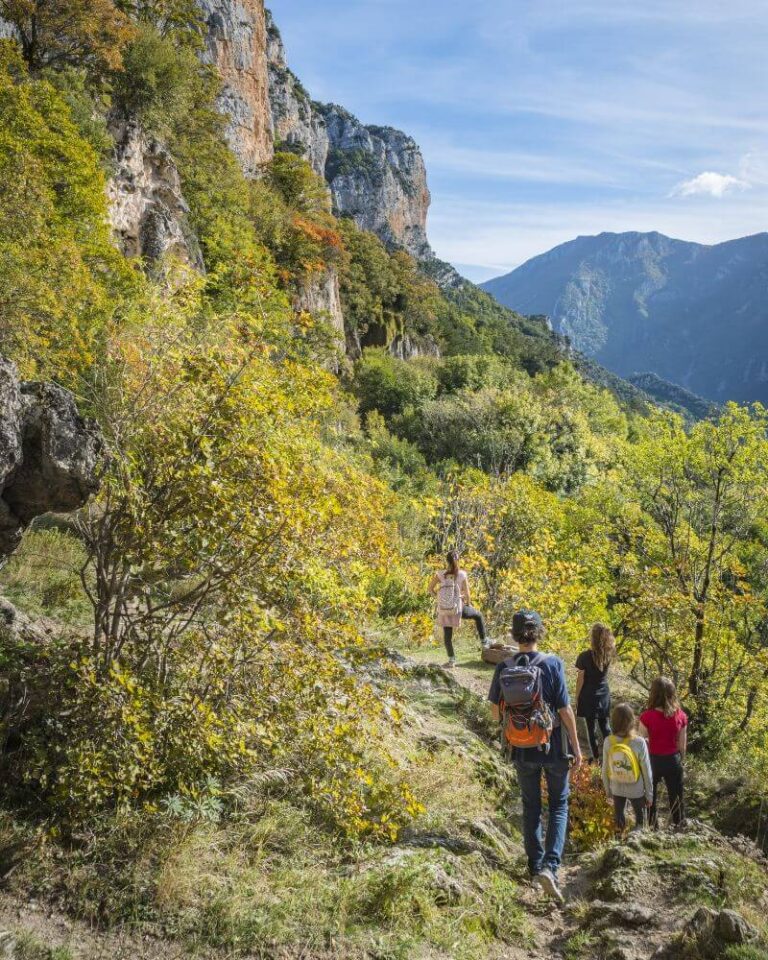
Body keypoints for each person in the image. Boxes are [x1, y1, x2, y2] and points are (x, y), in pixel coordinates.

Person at [488, 610, 582, 904]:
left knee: (530, 807)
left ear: (515, 636)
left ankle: (533, 867)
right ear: (539, 632)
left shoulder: (503, 667)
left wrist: (516, 721)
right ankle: (551, 868)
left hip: (521, 746)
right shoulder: (553, 664)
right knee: (558, 805)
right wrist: (577, 748)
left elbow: (494, 712)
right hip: (553, 747)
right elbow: (565, 711)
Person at [639, 677, 688, 828]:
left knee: (650, 794)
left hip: (652, 760)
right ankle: (679, 825)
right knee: (676, 795)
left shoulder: (646, 716)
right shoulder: (680, 716)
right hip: (673, 760)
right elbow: (682, 744)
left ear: (653, 694)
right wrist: (682, 760)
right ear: (672, 693)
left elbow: (642, 742)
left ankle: (653, 826)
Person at [601, 703, 653, 835]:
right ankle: (638, 844)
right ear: (632, 721)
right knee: (641, 822)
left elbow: (605, 769)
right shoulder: (639, 742)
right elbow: (647, 770)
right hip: (636, 788)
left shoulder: (608, 741)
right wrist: (649, 794)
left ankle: (619, 842)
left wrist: (608, 790)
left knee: (619, 820)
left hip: (617, 787)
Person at [429, 551, 487, 667]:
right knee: (478, 615)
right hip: (458, 608)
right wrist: (468, 604)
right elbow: (467, 593)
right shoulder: (462, 574)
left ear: (447, 561)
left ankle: (452, 660)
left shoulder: (440, 574)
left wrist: (439, 598)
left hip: (444, 608)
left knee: (447, 636)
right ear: (457, 560)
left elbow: (430, 589)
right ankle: (484, 642)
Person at [575, 623, 616, 762]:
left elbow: (580, 680)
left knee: (591, 728)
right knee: (605, 726)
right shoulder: (608, 654)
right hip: (604, 693)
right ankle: (613, 755)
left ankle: (596, 759)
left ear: (592, 638)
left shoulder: (584, 656)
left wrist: (577, 696)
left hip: (588, 695)